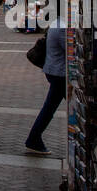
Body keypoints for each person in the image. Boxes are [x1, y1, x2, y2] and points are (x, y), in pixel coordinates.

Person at [25, 9, 67, 155]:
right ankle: (33, 139)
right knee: (51, 108)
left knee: (50, 107)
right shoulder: (62, 27)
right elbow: (70, 49)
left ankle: (34, 139)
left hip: (54, 71)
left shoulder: (57, 23)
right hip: (59, 73)